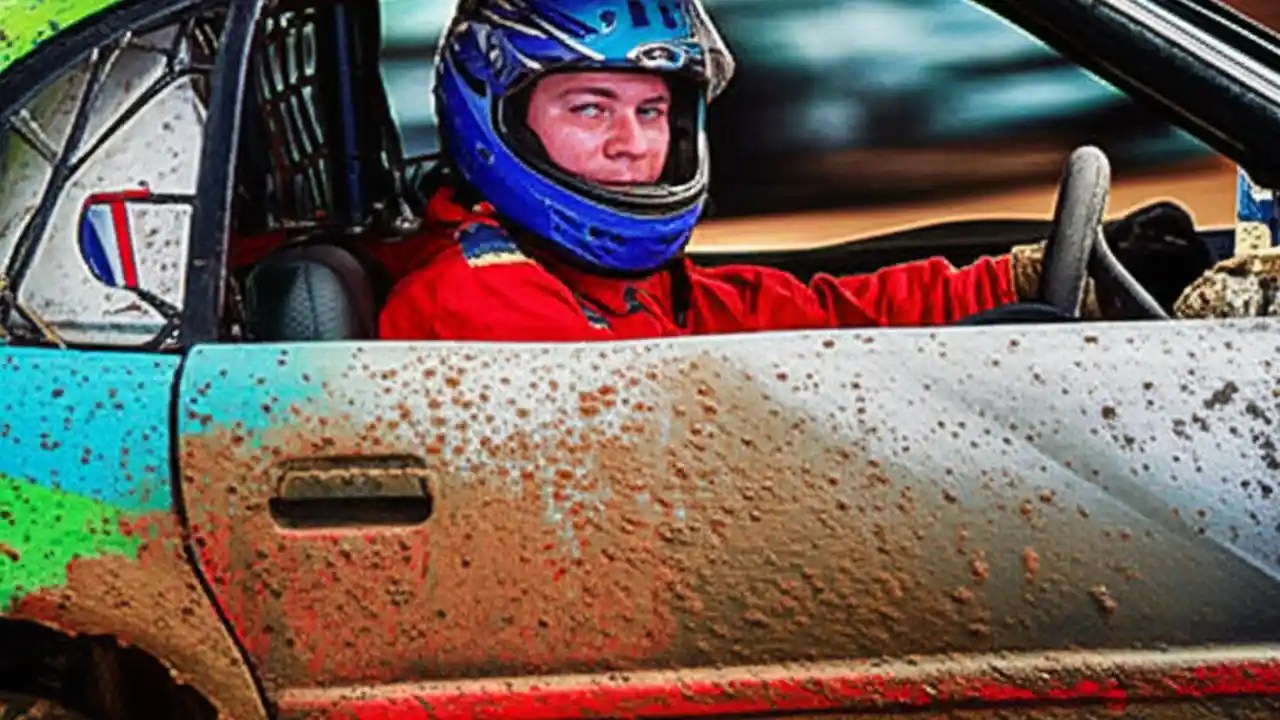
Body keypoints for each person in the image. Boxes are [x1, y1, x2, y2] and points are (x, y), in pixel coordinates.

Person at [373, 0, 1223, 341]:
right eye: (591, 109)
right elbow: (704, 431)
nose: (633, 143)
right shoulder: (478, 300)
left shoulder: (624, 286)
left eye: (653, 112)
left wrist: (1019, 280)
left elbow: (819, 314)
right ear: (497, 120)